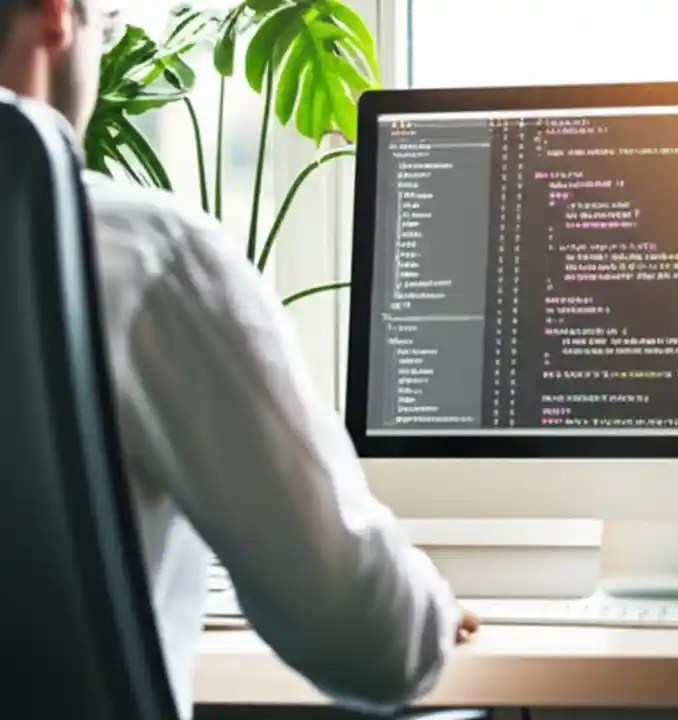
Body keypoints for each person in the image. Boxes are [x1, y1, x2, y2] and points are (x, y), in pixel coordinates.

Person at [0, 0, 479, 716]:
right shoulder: (140, 257)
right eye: (107, 25)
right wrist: (427, 612)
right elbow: (374, 643)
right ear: (57, 17)